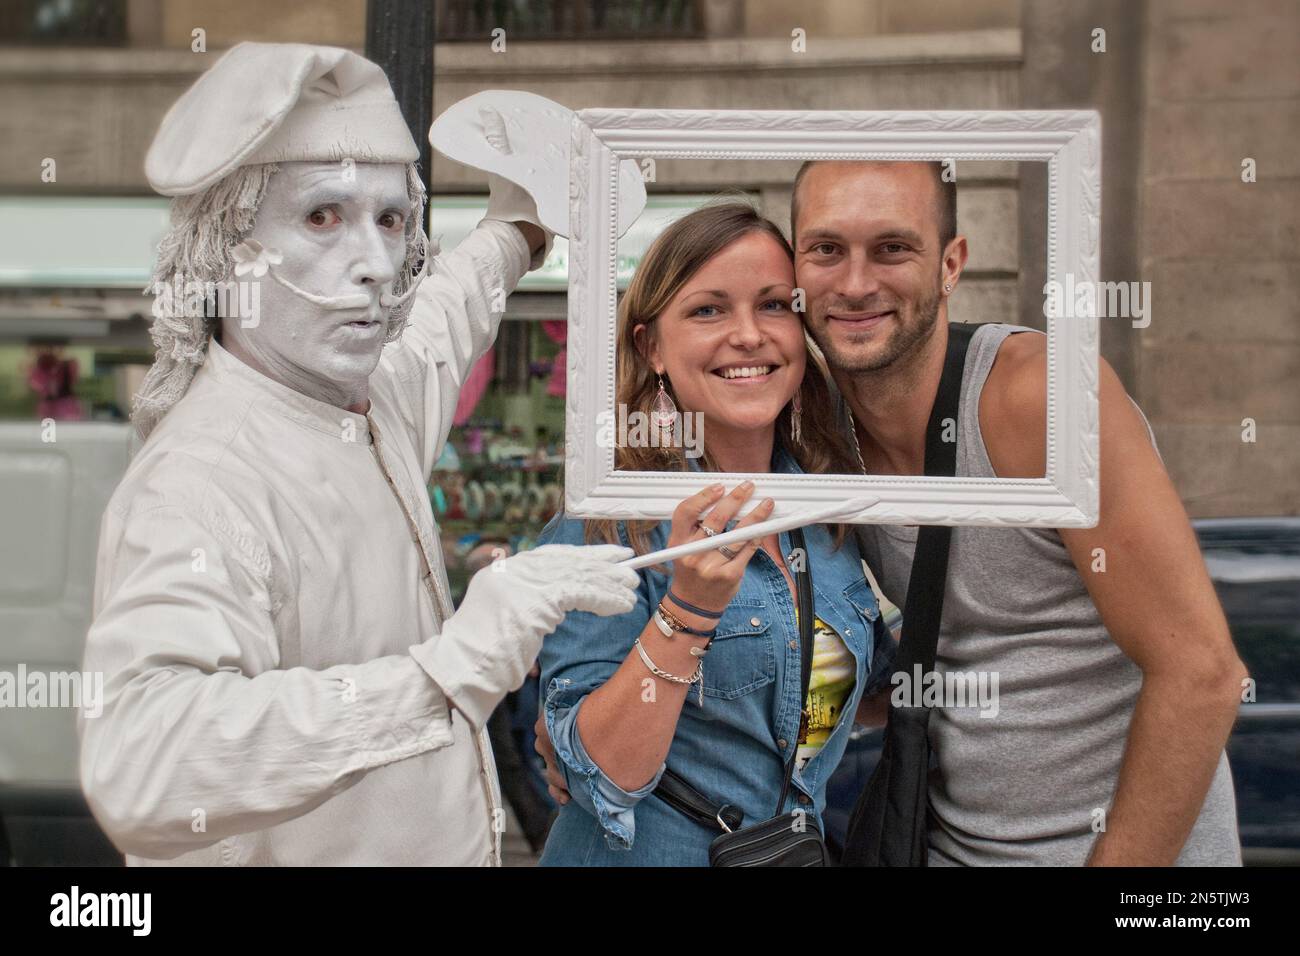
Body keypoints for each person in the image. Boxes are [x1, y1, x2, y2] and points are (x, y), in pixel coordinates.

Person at [78, 42, 639, 866]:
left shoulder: (372, 395)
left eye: (392, 220)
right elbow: (143, 765)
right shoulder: (199, 482)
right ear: (229, 248)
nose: (377, 267)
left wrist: (518, 224)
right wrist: (452, 672)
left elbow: (449, 314)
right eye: (321, 217)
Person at [790, 159, 1245, 865]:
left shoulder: (1039, 399)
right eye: (826, 249)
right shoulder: (819, 440)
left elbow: (1203, 673)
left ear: (950, 264)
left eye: (892, 248)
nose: (854, 283)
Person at [534, 201, 894, 865]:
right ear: (652, 348)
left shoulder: (827, 516)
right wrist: (686, 614)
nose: (749, 335)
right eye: (708, 310)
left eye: (774, 306)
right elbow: (599, 777)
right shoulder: (606, 525)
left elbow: (857, 693)